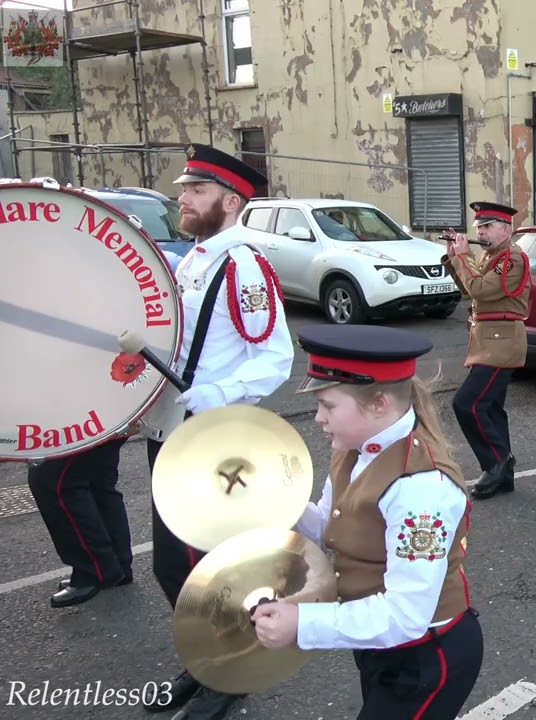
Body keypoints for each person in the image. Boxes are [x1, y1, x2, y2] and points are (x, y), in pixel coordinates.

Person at [251, 324, 482, 720]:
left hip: (426, 656)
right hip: (382, 647)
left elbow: (405, 617)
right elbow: (332, 526)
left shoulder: (420, 490)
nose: (318, 418)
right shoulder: (355, 447)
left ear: (378, 403)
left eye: (328, 405)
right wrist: (276, 504)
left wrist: (301, 621)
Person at [143, 143, 294, 719]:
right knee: (172, 566)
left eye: (195, 191)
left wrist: (217, 394)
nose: (182, 198)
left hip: (210, 440)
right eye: (185, 189)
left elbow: (275, 356)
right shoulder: (198, 257)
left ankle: (230, 674)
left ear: (230, 201)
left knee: (204, 569)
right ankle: (205, 659)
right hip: (173, 430)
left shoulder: (243, 264)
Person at [443, 202, 531, 500]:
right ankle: (503, 476)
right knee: (491, 407)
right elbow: (469, 290)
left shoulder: (512, 259)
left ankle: (496, 462)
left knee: (467, 403)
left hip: (502, 341)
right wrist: (455, 258)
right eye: (479, 226)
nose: (480, 231)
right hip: (489, 339)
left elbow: (482, 290)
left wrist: (464, 257)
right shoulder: (490, 256)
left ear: (506, 230)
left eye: (488, 226)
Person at [27, 437, 133, 608]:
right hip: (107, 417)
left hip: (83, 419)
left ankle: (94, 572)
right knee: (97, 481)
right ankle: (116, 567)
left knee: (52, 482)